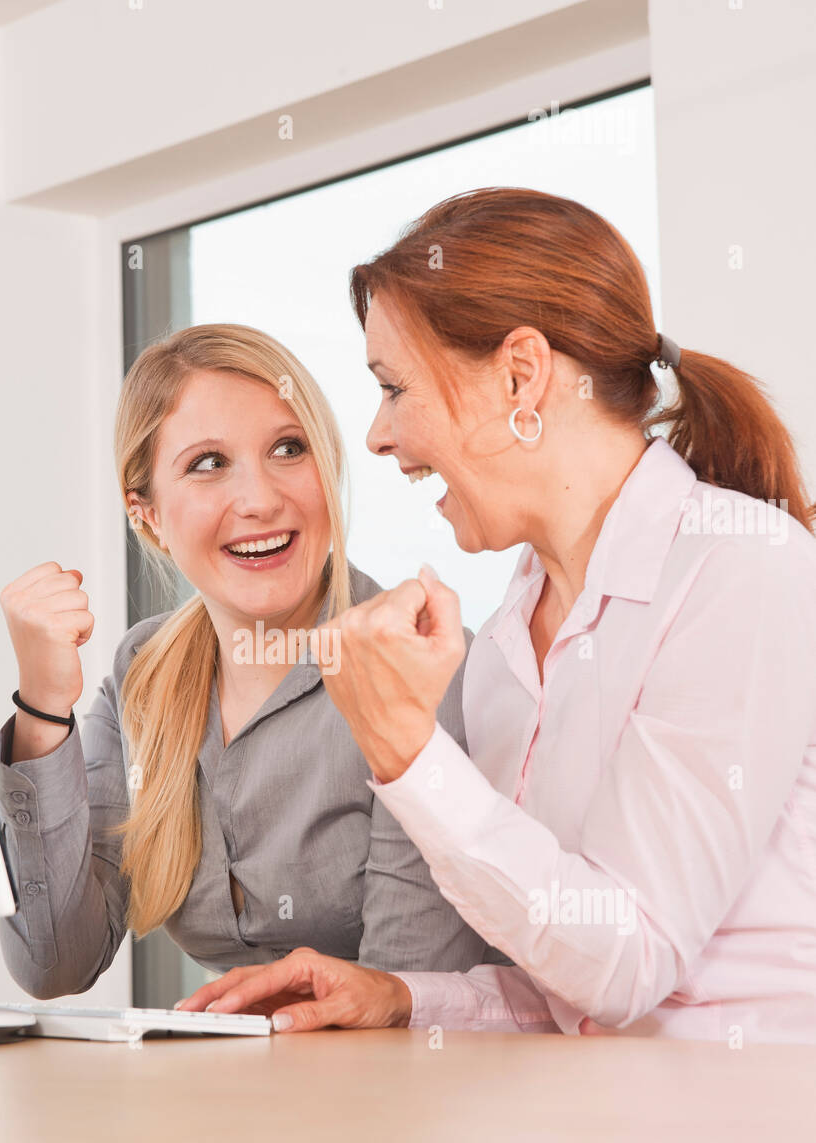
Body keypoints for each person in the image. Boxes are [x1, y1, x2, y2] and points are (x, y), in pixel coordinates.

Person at [177, 186, 816, 1047]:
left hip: (753, 1141)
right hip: (606, 1124)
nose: (375, 436)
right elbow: (565, 985)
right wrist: (401, 996)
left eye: (395, 388)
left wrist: (408, 754)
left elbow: (630, 964)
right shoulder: (510, 634)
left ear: (521, 374)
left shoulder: (740, 567)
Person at [0, 323, 504, 999]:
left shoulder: (416, 661)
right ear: (145, 514)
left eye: (289, 450)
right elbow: (56, 964)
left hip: (416, 1091)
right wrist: (42, 708)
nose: (260, 500)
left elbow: (406, 995)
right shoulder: (144, 670)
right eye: (208, 464)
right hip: (254, 1089)